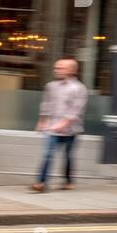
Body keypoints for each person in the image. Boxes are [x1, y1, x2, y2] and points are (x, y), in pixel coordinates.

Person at [31, 57, 88, 193]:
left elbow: (76, 109)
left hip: (71, 130)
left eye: (61, 68)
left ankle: (68, 180)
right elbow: (46, 104)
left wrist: (64, 122)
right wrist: (42, 120)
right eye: (56, 68)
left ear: (71, 70)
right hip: (52, 128)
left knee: (68, 156)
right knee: (48, 154)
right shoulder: (51, 86)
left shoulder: (79, 88)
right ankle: (41, 183)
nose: (56, 70)